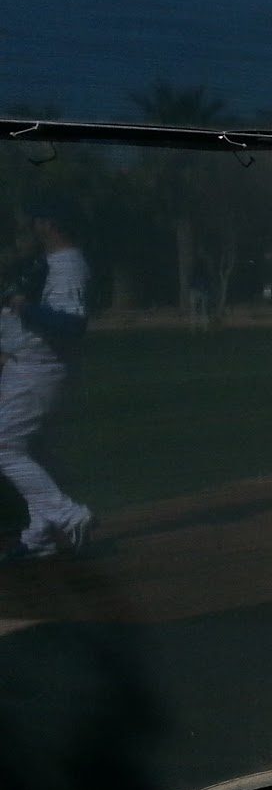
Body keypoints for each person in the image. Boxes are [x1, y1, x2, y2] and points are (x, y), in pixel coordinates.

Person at [0, 209, 93, 561]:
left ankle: (69, 515)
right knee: (32, 451)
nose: (32, 225)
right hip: (28, 368)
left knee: (5, 447)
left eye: (38, 218)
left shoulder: (67, 264)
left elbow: (72, 324)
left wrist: (25, 309)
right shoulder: (48, 262)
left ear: (51, 222)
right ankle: (42, 535)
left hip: (38, 371)